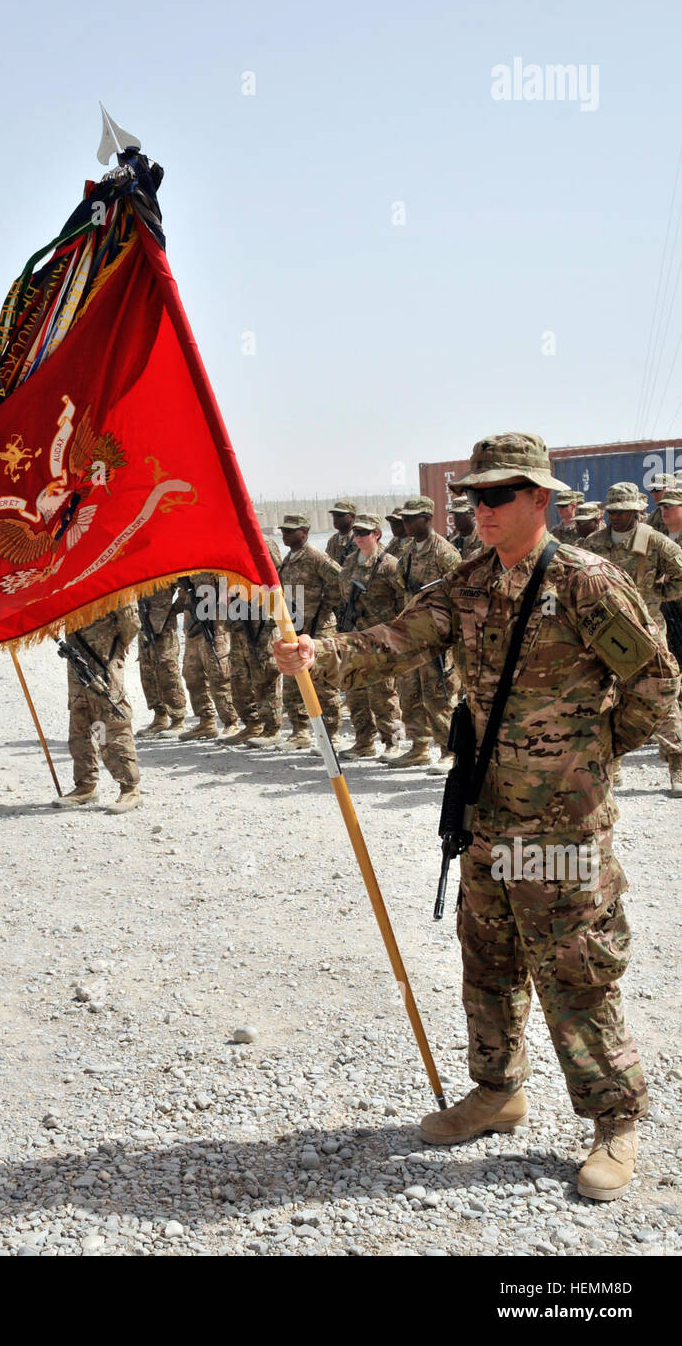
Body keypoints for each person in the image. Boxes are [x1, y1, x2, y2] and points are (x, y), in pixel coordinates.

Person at [273, 432, 680, 1201]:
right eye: (472, 496)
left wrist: (591, 759)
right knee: (486, 957)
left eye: (497, 495)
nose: (480, 509)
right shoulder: (466, 584)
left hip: (562, 827)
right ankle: (497, 1092)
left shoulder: (586, 583)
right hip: (488, 813)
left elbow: (656, 683)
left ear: (539, 498)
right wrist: (317, 657)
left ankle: (614, 1120)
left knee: (576, 968)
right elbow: (392, 641)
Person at [583, 482, 682, 796]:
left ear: (637, 512)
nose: (616, 517)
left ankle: (677, 763)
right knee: (605, 695)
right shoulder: (593, 543)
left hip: (645, 628)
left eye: (623, 512)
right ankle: (611, 767)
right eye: (612, 512)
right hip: (605, 631)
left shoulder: (653, 541)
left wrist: (658, 594)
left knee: (660, 695)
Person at [390, 495, 461, 773]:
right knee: (409, 693)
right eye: (405, 519)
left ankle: (449, 751)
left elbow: (458, 596)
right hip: (411, 633)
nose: (406, 524)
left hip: (437, 636)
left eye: (412, 519)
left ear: (428, 519)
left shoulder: (445, 552)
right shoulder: (408, 551)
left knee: (439, 696)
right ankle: (419, 748)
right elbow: (402, 588)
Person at [53, 606, 142, 813]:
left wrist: (117, 646)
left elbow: (131, 622)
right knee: (80, 726)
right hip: (78, 667)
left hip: (104, 663)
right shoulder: (69, 589)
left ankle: (129, 789)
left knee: (112, 725)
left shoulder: (115, 588)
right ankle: (85, 785)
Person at [336, 514, 404, 759]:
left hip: (380, 638)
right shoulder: (349, 562)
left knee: (384, 695)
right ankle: (363, 742)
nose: (359, 537)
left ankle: (393, 743)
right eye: (356, 533)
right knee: (355, 692)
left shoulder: (389, 564)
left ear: (377, 534)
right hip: (354, 635)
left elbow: (402, 600)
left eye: (364, 533)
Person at [277, 513, 343, 748]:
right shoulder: (287, 560)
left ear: (304, 533)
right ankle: (300, 732)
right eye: (283, 531)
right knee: (293, 683)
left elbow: (340, 581)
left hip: (319, 629)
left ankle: (332, 734)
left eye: (290, 531)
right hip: (295, 630)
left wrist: (324, 607)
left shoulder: (316, 557)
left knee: (324, 684)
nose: (285, 535)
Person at [230, 535, 284, 745]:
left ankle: (272, 729)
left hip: (261, 620)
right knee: (240, 676)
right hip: (239, 620)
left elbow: (277, 576)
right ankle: (252, 725)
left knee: (265, 673)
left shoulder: (263, 543)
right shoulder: (228, 543)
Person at [178, 575, 240, 741]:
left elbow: (232, 588)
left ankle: (231, 721)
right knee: (191, 673)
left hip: (215, 624)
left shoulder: (217, 566)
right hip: (193, 624)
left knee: (219, 673)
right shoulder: (189, 567)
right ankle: (206, 721)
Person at [136, 583, 187, 735]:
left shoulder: (164, 570)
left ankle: (178, 719)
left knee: (167, 670)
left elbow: (186, 586)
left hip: (164, 625)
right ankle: (160, 717)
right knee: (147, 670)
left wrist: (173, 610)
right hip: (143, 622)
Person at [325, 500, 358, 566]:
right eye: (333, 515)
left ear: (352, 516)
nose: (335, 518)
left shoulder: (359, 540)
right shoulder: (332, 540)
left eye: (339, 515)